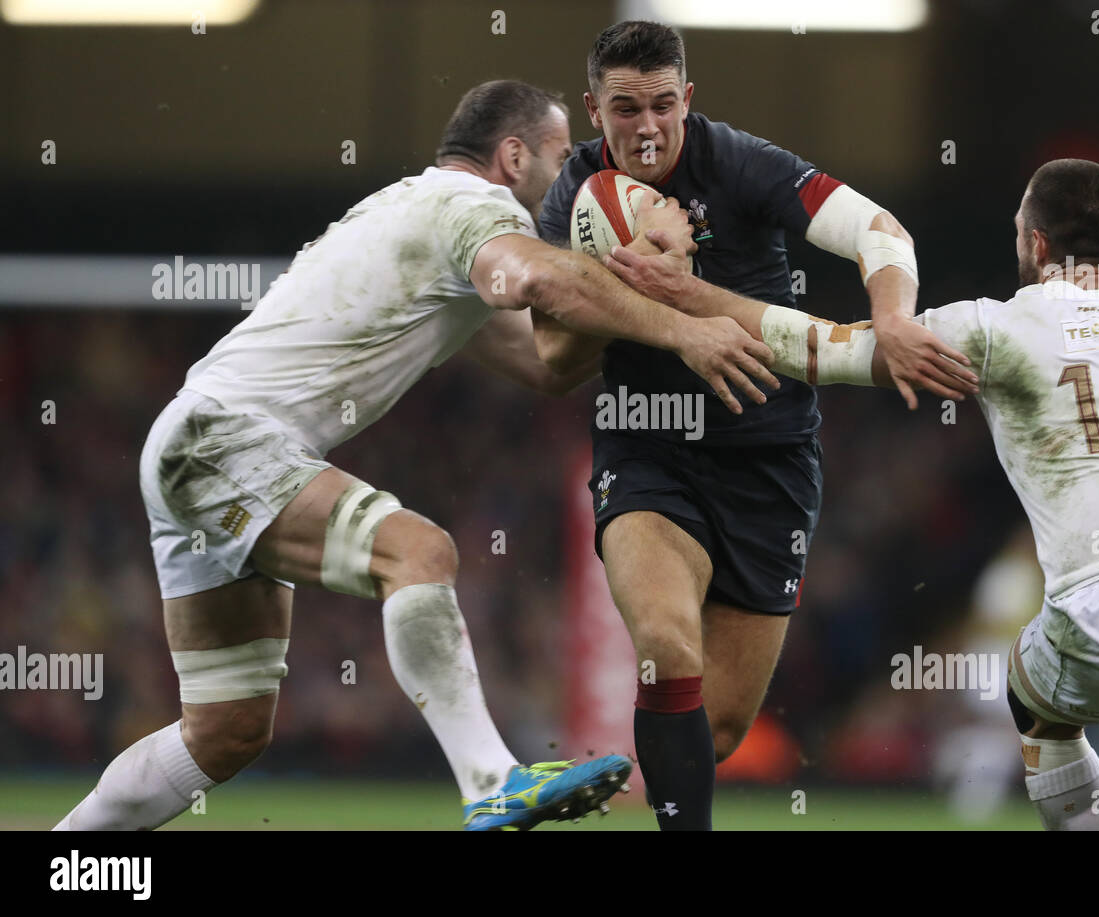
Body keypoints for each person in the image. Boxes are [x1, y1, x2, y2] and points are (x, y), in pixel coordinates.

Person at [54, 79, 776, 832]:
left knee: (225, 730)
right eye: (563, 158)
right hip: (228, 443)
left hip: (197, 444)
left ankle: (68, 857)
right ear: (512, 155)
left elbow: (547, 364)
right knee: (418, 552)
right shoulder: (476, 210)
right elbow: (536, 276)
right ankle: (490, 780)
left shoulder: (424, 218)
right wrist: (680, 326)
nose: (573, 178)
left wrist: (648, 291)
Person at [608, 157, 1099, 830]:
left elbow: (820, 350)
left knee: (1037, 710)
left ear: (1034, 241)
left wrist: (688, 294)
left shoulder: (992, 327)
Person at [535, 20, 977, 830]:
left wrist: (895, 317)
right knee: (668, 647)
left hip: (767, 457)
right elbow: (554, 361)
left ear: (687, 100)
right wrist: (617, 289)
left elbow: (878, 230)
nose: (646, 127)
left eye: (662, 105)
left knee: (722, 729)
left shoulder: (739, 163)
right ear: (594, 109)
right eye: (624, 108)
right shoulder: (573, 195)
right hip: (647, 445)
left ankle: (595, 781)